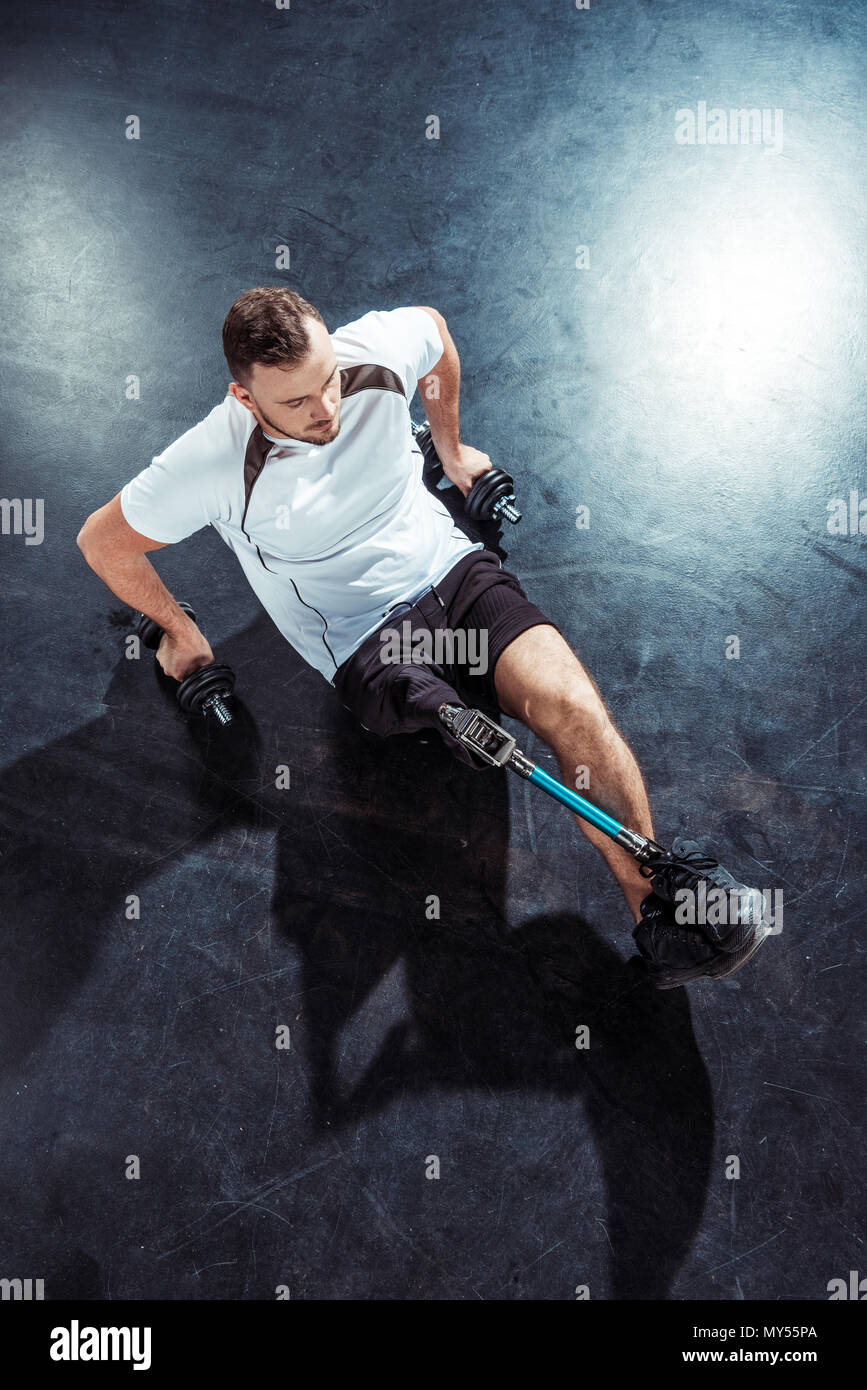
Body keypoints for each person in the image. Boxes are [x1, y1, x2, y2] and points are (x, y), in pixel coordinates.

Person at [76, 286, 769, 988]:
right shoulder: (211, 462)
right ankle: (442, 710)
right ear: (245, 398)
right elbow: (102, 542)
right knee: (449, 718)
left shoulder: (370, 356)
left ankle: (652, 911)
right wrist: (182, 630)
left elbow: (433, 332)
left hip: (452, 570)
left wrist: (452, 448)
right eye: (296, 403)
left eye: (329, 383)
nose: (326, 411)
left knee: (573, 710)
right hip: (363, 634)